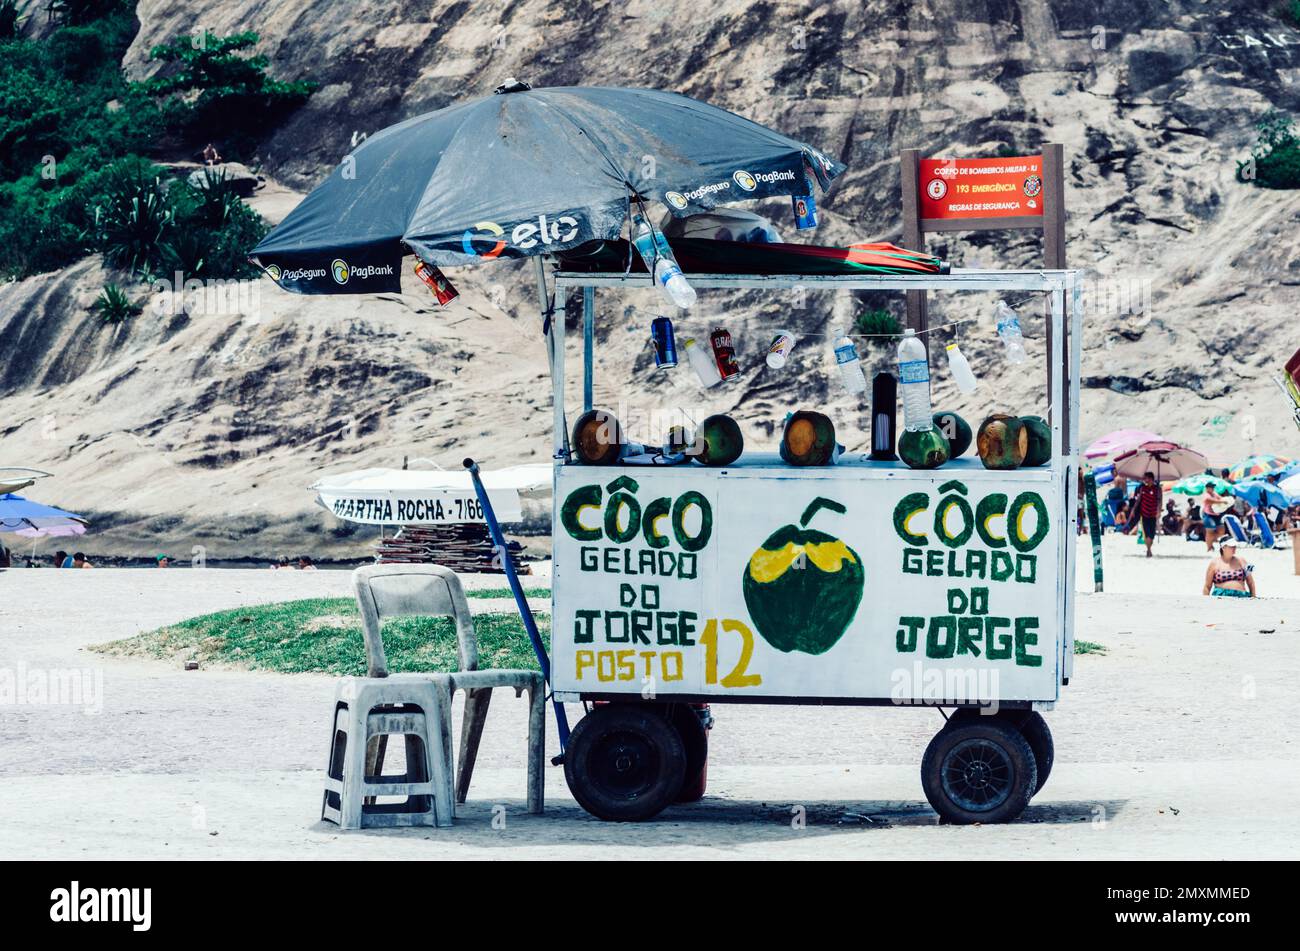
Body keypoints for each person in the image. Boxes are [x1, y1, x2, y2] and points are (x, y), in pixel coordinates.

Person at [1124, 471, 1162, 557]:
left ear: (1151, 479)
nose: (1145, 480)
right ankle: (1148, 550)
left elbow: (1160, 500)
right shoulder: (1142, 488)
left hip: (1153, 513)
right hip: (1144, 513)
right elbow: (1138, 500)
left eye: (1146, 478)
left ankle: (1149, 548)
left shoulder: (1158, 489)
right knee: (1146, 533)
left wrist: (1159, 511)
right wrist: (1133, 509)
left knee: (1152, 534)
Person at [1202, 483, 1231, 551]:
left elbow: (1220, 498)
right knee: (1210, 532)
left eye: (1213, 487)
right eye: (1211, 487)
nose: (1212, 488)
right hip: (1208, 515)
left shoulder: (1214, 493)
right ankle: (1209, 547)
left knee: (1221, 531)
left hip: (1217, 515)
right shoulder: (1206, 495)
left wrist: (1226, 500)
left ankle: (1211, 541)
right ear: (1207, 488)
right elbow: (1209, 500)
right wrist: (1221, 501)